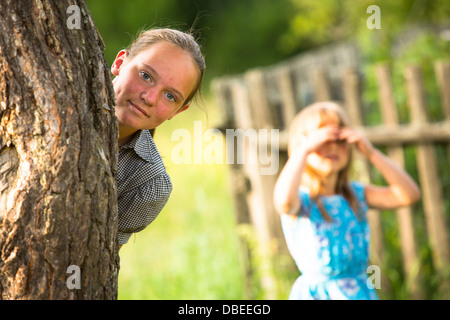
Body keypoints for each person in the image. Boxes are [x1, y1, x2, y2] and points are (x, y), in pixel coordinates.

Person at [273, 101, 420, 300]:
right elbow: (283, 202)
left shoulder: (356, 195)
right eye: (323, 139)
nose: (332, 146)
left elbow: (408, 195)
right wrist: (304, 149)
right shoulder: (302, 200)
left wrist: (371, 153)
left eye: (340, 139)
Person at [110, 28, 206, 248]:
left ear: (177, 112)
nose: (150, 98)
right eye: (145, 76)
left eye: (170, 96)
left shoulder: (147, 183)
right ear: (119, 63)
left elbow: (97, 260)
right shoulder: (54, 99)